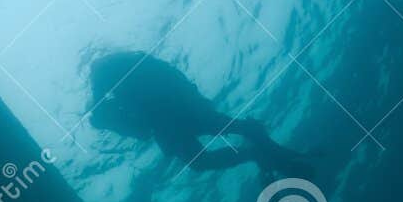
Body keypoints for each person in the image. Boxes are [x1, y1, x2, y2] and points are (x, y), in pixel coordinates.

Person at [88, 51, 314, 177]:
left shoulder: (104, 73)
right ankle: (258, 148)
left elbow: (105, 114)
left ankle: (256, 151)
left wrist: (107, 119)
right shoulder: (124, 73)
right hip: (179, 107)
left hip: (172, 113)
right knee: (216, 138)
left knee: (204, 155)